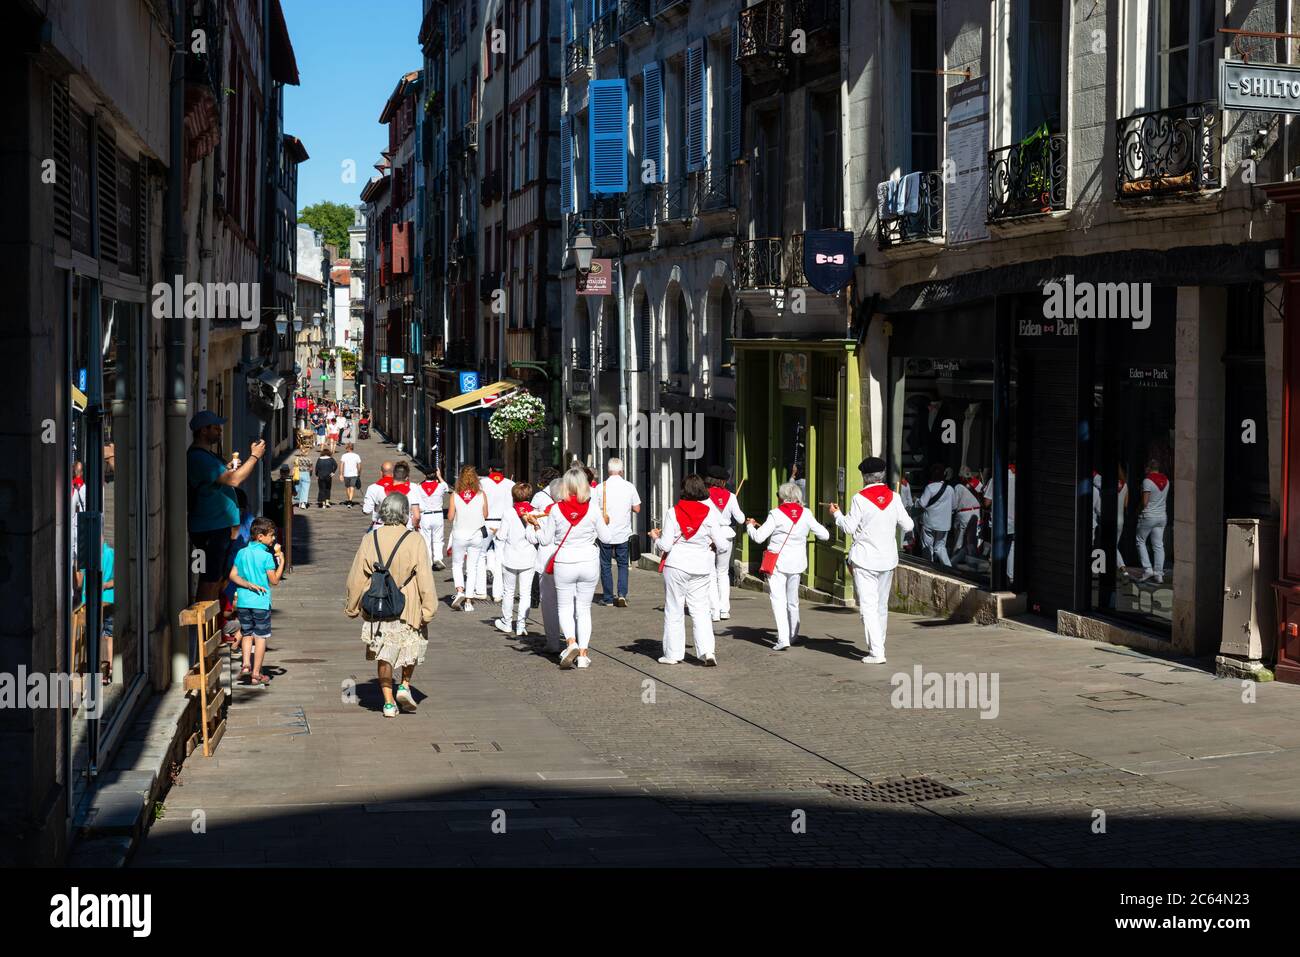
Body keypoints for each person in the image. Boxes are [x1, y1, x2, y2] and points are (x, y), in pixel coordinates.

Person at [344, 493, 438, 718]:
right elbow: (425, 576)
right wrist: (429, 608)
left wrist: (352, 605)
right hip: (408, 603)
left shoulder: (370, 538)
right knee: (410, 648)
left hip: (379, 605)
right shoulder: (415, 539)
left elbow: (357, 575)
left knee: (384, 654)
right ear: (405, 512)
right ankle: (404, 684)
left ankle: (387, 703)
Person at [830, 457, 915, 664]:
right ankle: (878, 646)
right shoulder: (893, 497)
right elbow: (909, 525)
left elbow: (849, 527)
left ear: (864, 477)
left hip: (865, 559)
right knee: (881, 606)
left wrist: (836, 514)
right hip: (887, 559)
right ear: (882, 475)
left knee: (868, 606)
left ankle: (877, 652)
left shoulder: (859, 498)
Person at [529, 467, 605, 669]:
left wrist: (536, 526)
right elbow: (606, 537)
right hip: (588, 561)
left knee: (564, 607)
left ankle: (570, 641)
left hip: (565, 562)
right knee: (584, 609)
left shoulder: (555, 509)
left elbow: (545, 541)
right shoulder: (594, 509)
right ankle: (583, 655)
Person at [187, 410, 265, 602]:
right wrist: (254, 457)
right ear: (203, 431)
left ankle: (212, 624)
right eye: (215, 428)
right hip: (209, 528)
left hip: (217, 527)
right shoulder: (199, 457)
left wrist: (228, 467)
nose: (220, 431)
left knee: (217, 577)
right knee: (210, 578)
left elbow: (222, 477)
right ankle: (202, 628)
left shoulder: (207, 456)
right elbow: (234, 480)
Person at [650, 473, 728, 666]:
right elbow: (723, 545)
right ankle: (707, 651)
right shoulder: (710, 512)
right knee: (701, 610)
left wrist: (655, 538)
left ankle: (673, 654)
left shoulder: (672, 512)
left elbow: (666, 546)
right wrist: (709, 544)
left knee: (674, 609)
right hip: (701, 566)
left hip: (676, 565)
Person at [746, 482, 830, 650]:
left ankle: (783, 639)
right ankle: (793, 635)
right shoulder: (806, 513)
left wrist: (749, 526)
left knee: (778, 600)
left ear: (782, 497)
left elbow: (759, 537)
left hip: (777, 562)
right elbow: (825, 535)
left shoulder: (775, 514)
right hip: (797, 563)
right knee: (793, 601)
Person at [227, 517, 285, 687]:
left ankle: (246, 665)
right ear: (260, 536)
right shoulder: (266, 556)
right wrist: (281, 560)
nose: (273, 539)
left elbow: (232, 575)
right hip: (260, 603)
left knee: (246, 634)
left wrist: (247, 585)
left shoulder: (242, 553)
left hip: (244, 602)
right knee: (260, 637)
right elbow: (274, 580)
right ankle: (256, 673)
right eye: (271, 535)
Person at [594, 457, 642, 607]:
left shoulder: (600, 488)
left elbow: (594, 510)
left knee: (605, 565)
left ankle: (608, 598)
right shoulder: (629, 487)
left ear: (608, 471)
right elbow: (637, 508)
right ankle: (622, 594)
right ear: (621, 471)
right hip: (623, 532)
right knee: (622, 564)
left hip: (605, 532)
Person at [493, 483, 539, 637]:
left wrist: (496, 533)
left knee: (508, 592)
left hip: (510, 557)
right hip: (528, 557)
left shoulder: (508, 512)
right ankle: (521, 624)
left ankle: (506, 622)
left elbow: (501, 536)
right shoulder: (535, 512)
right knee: (525, 593)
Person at [704, 464, 745, 620]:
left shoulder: (704, 495)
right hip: (726, 535)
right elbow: (740, 519)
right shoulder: (731, 496)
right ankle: (724, 609)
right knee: (723, 572)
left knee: (711, 573)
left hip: (709, 537)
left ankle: (714, 611)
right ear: (722, 481)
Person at [448, 465, 490, 612]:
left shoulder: (455, 495)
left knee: (457, 564)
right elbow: (485, 515)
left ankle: (460, 590)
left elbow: (450, 516)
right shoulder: (481, 494)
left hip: (459, 534)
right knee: (472, 567)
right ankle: (468, 601)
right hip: (476, 534)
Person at [531, 468, 564, 652]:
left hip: (547, 555)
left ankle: (553, 642)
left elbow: (540, 539)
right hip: (567, 554)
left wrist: (533, 526)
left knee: (549, 601)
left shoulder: (538, 499)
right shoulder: (570, 505)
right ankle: (573, 642)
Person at [479, 460, 515, 603]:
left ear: (490, 469)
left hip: (486, 521)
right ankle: (498, 593)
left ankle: (481, 590)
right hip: (503, 522)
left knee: (481, 555)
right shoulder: (510, 484)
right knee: (500, 558)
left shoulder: (483, 483)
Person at [1134, 458, 1170, 584]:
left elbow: (1145, 502)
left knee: (1140, 540)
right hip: (1162, 517)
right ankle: (1159, 574)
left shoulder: (1147, 481)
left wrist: (1137, 511)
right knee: (1159, 545)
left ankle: (1148, 569)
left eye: (1146, 467)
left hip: (1149, 516)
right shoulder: (1166, 480)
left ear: (1149, 468)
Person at [917, 463, 954, 567]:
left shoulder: (930, 487)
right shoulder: (950, 489)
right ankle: (948, 568)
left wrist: (917, 501)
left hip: (930, 523)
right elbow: (954, 506)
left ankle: (928, 567)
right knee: (940, 547)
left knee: (927, 546)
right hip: (944, 525)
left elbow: (922, 503)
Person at [416, 467, 449, 570]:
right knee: (438, 539)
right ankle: (438, 558)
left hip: (425, 515)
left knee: (426, 539)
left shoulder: (419, 487)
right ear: (435, 475)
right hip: (438, 515)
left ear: (425, 476)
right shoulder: (440, 486)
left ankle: (428, 561)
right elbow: (447, 488)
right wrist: (439, 476)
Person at [362, 461, 396, 529]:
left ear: (381, 473)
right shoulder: (403, 487)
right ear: (394, 472)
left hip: (379, 526)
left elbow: (366, 510)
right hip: (397, 526)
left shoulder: (372, 488)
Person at [340, 443, 362, 508]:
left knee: (347, 487)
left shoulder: (344, 456)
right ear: (352, 448)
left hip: (346, 474)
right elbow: (359, 465)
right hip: (354, 474)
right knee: (352, 487)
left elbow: (341, 465)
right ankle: (350, 500)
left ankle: (349, 500)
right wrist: (359, 473)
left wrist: (341, 474)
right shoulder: (356, 456)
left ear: (347, 448)